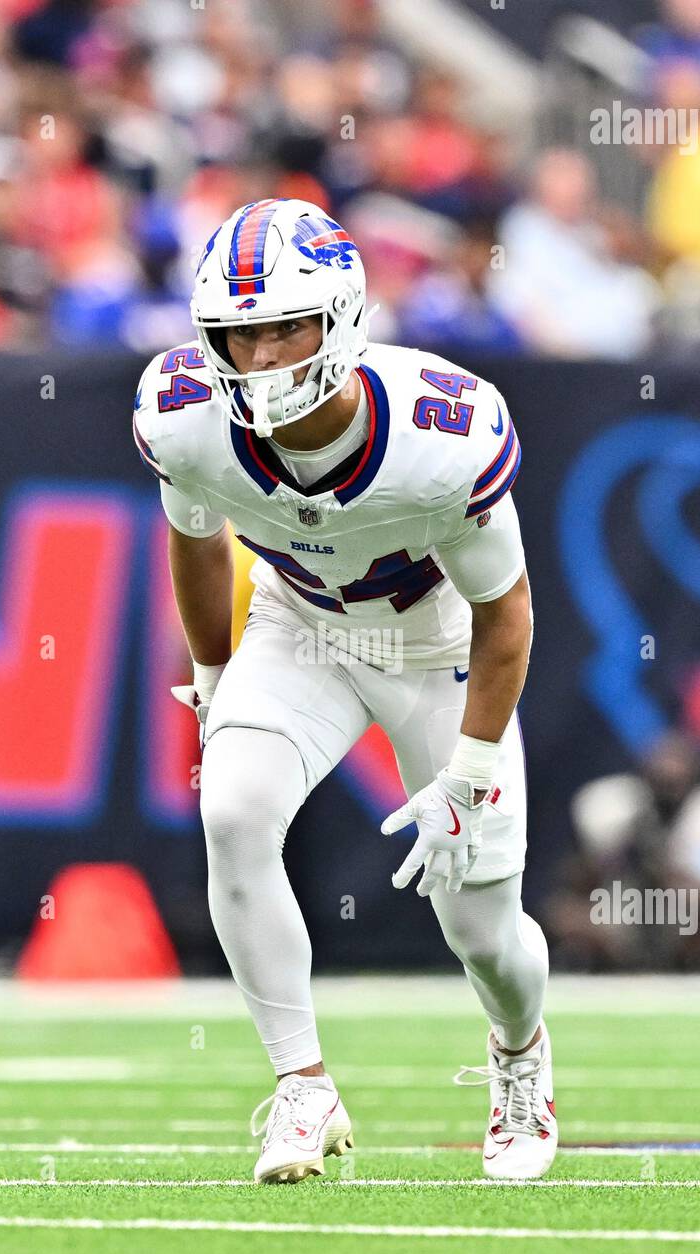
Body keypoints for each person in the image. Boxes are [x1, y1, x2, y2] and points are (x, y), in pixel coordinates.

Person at [133, 198, 555, 1183]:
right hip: (301, 626)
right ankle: (302, 1086)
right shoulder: (185, 413)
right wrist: (208, 674)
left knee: (480, 927)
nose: (264, 354)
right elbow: (195, 538)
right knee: (231, 808)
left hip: (436, 643)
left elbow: (506, 615)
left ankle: (518, 1056)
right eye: (241, 333)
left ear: (342, 318)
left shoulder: (439, 431)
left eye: (287, 325)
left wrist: (471, 769)